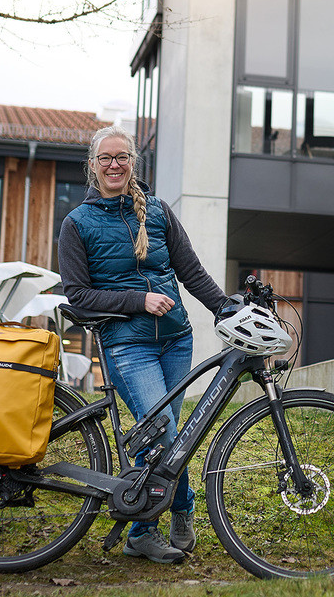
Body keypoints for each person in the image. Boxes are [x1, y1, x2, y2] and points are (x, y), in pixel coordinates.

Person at [58, 125, 228, 564]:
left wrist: (228, 308)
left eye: (122, 157)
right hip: (126, 344)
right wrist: (138, 300)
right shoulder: (77, 223)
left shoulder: (157, 211)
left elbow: (191, 272)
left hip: (176, 339)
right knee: (163, 435)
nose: (115, 165)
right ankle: (150, 526)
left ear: (133, 162)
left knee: (177, 436)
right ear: (93, 166)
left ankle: (163, 516)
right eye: (105, 158)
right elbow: (77, 294)